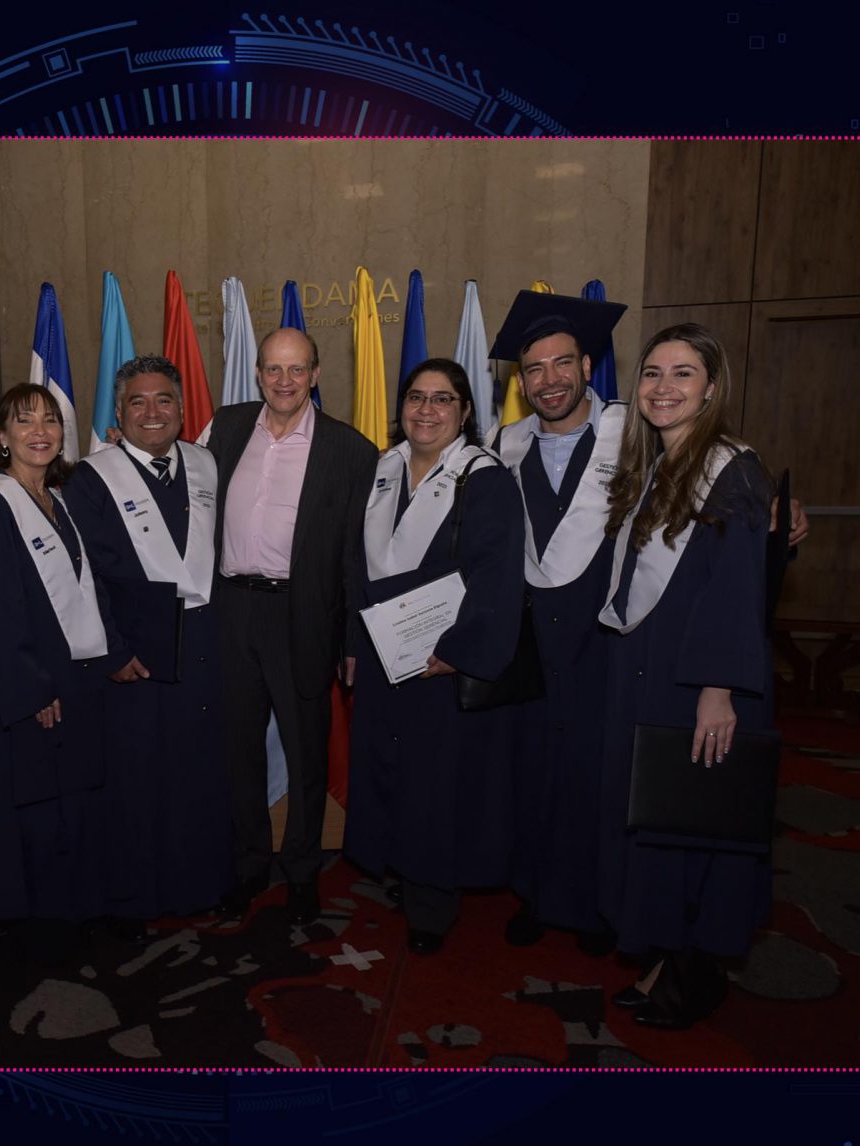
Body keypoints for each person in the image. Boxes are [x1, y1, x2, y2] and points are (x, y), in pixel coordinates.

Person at [597, 322, 778, 1030]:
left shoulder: (731, 471)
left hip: (697, 682)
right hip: (651, 668)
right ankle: (662, 955)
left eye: (682, 374)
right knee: (658, 822)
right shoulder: (660, 464)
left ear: (710, 388)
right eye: (652, 373)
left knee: (694, 825)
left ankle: (695, 974)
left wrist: (718, 691)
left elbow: (735, 588)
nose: (662, 387)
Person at [343, 359, 525, 954]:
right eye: (416, 398)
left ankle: (432, 900)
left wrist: (457, 650)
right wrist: (352, 642)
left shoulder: (484, 479)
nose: (427, 410)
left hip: (439, 663)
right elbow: (354, 565)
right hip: (382, 653)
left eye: (442, 399)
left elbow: (498, 575)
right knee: (389, 768)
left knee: (434, 782)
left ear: (465, 410)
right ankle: (400, 866)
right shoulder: (381, 470)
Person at [207, 329, 379, 924]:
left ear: (316, 374)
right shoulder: (225, 428)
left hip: (302, 615)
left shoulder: (350, 450)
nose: (285, 381)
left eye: (297, 369)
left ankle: (303, 872)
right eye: (274, 369)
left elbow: (357, 556)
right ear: (258, 373)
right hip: (231, 611)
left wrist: (352, 639)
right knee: (238, 749)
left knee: (307, 751)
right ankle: (249, 865)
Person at [0, 383, 133, 963]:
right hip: (37, 682)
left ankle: (82, 911)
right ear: (1, 436)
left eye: (50, 420)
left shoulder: (57, 498)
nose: (40, 431)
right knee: (41, 811)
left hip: (78, 674)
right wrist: (32, 687)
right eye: (24, 421)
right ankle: (48, 928)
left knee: (77, 803)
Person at [64, 356, 234, 927]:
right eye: (137, 402)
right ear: (119, 413)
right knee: (138, 778)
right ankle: (134, 900)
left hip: (204, 644)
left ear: (182, 408)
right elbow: (84, 575)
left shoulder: (207, 465)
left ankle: (201, 885)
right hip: (133, 652)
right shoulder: (90, 479)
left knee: (199, 770)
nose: (152, 412)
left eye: (164, 399)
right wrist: (111, 650)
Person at [489, 291, 634, 955]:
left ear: (586, 366)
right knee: (531, 769)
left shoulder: (632, 437)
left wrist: (780, 506)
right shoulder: (505, 444)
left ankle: (596, 902)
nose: (549, 379)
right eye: (535, 368)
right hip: (532, 643)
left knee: (596, 772)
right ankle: (536, 893)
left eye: (562, 363)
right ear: (521, 382)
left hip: (602, 639)